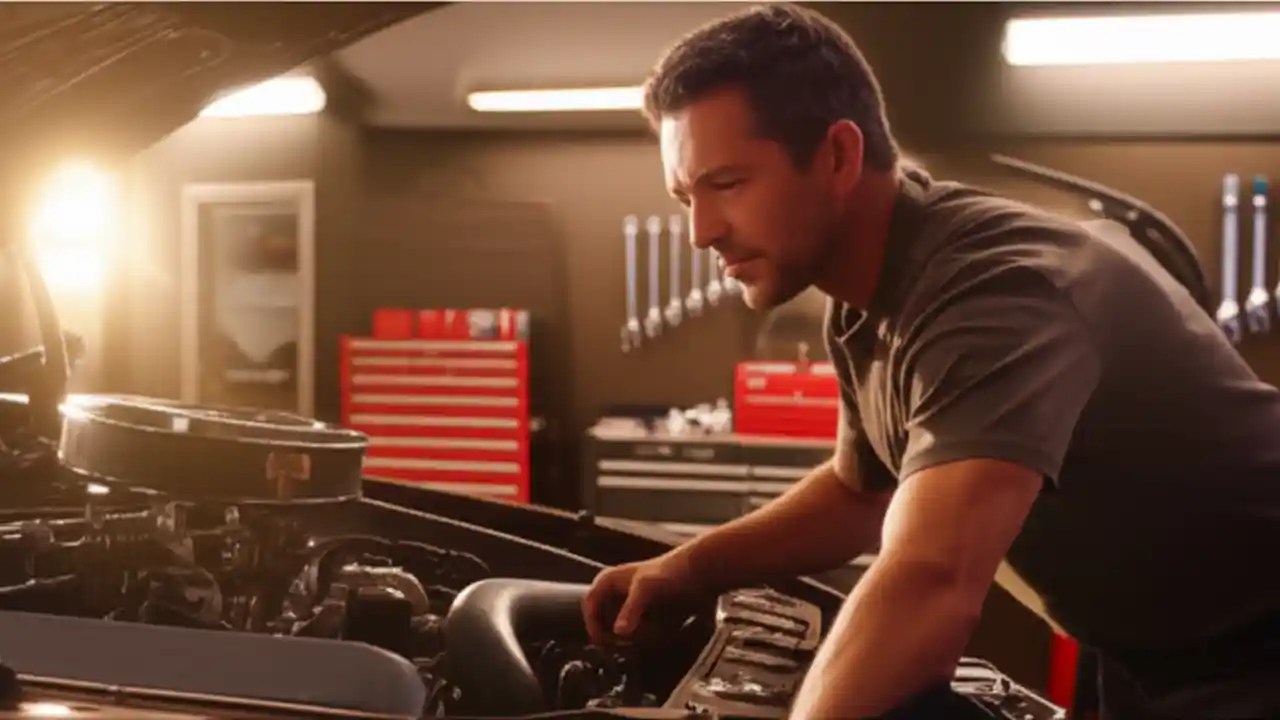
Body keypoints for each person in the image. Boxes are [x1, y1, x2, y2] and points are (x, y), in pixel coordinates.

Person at [581, 4, 1280, 719]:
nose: (700, 231)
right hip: (1152, 646)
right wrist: (691, 568)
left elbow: (930, 582)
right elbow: (864, 494)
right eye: (684, 196)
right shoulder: (865, 301)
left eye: (727, 185)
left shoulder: (995, 293)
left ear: (839, 157)